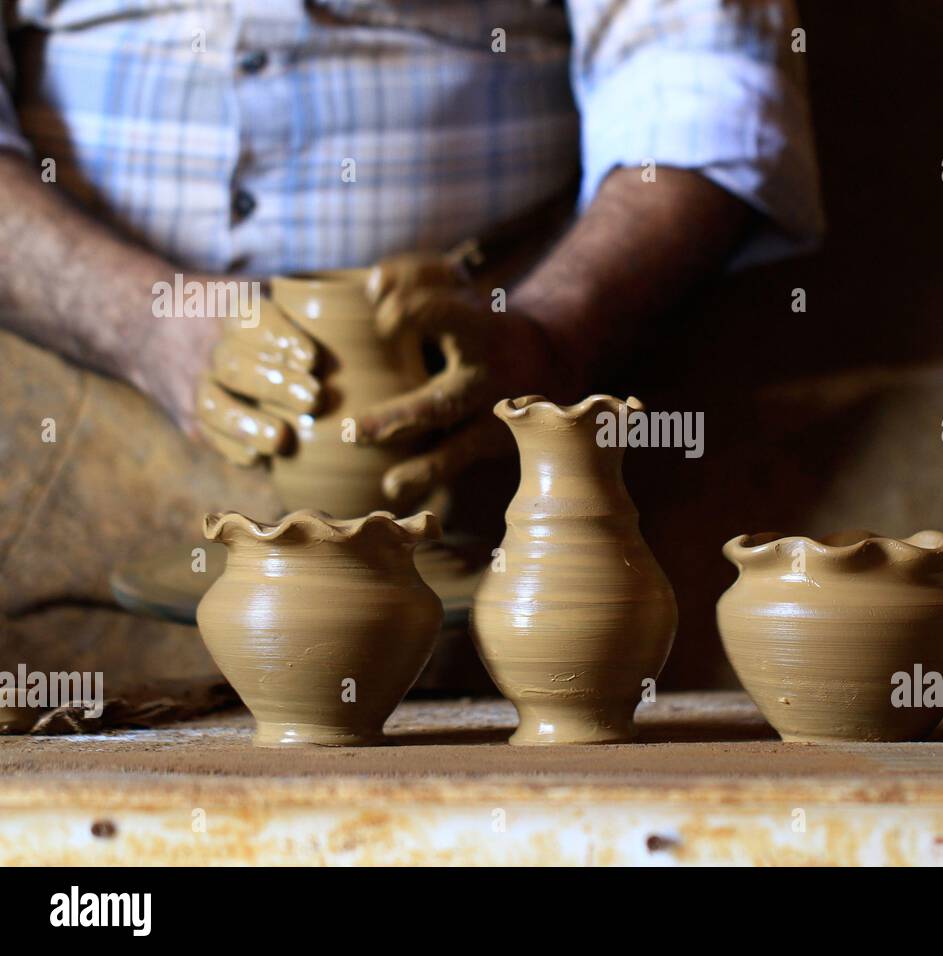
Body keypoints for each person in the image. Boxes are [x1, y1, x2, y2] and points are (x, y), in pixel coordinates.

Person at [0, 0, 822, 689]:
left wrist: (549, 336)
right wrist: (138, 320)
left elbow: (705, 74)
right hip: (82, 407)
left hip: (488, 421)